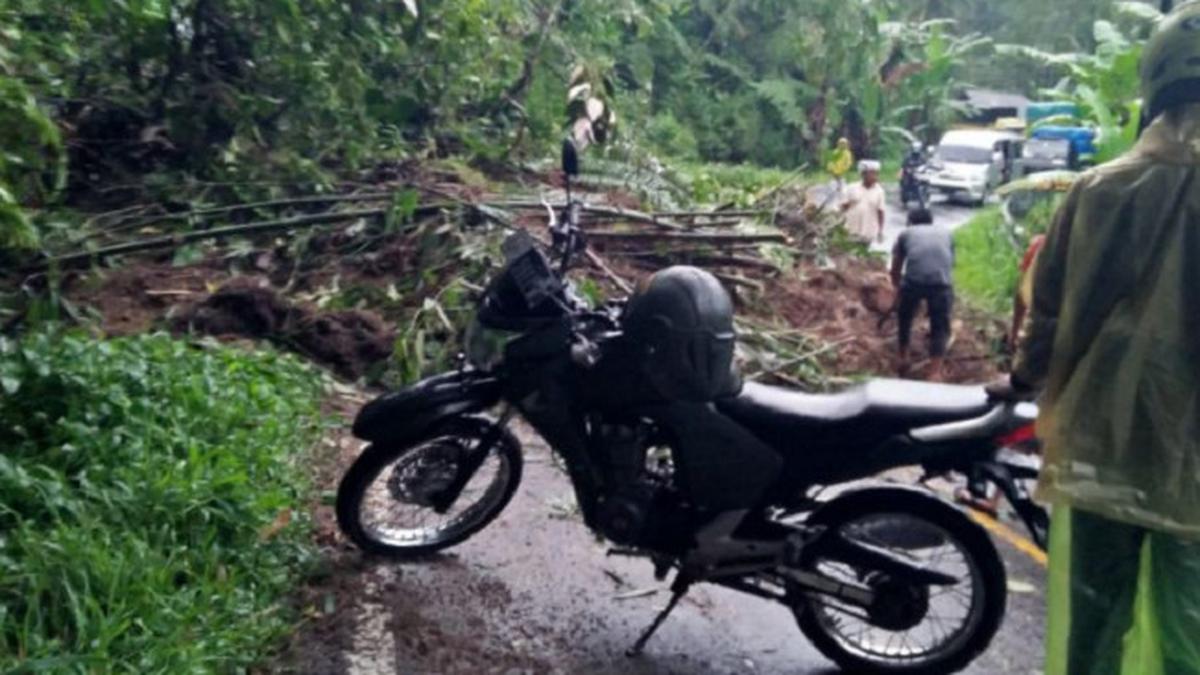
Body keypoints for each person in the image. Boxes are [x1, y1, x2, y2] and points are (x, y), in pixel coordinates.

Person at [989, 5, 1200, 673]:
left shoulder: (1097, 189)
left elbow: (1046, 315)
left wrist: (1021, 381)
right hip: (1192, 464)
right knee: (1190, 630)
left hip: (1099, 447)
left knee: (1095, 626)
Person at [890, 206, 954, 380]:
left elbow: (896, 267)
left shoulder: (906, 234)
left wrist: (898, 290)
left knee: (904, 317)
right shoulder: (946, 233)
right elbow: (949, 263)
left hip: (913, 282)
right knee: (940, 326)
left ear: (910, 222)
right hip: (941, 284)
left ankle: (903, 357)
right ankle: (935, 371)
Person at [842, 160, 886, 244]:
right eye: (872, 173)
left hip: (867, 233)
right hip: (850, 231)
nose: (875, 176)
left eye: (876, 173)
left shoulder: (880, 191)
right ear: (863, 174)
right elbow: (843, 207)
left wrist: (880, 231)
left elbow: (881, 212)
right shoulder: (851, 188)